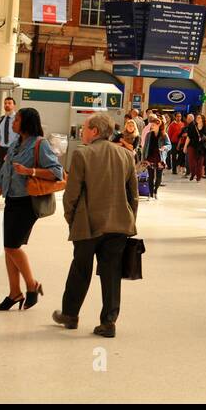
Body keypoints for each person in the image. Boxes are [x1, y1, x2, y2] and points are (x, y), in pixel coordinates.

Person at [54, 113, 138, 338]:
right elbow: (134, 195)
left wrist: (71, 218)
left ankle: (70, 315)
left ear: (95, 131)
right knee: (111, 273)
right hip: (119, 224)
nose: (82, 131)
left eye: (85, 128)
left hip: (88, 224)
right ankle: (108, 322)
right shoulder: (126, 155)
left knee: (81, 269)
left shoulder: (82, 154)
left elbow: (71, 194)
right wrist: (130, 219)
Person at [0, 107, 62, 312]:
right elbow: (3, 177)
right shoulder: (15, 144)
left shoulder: (40, 144)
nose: (13, 123)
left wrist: (30, 171)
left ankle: (32, 285)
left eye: (17, 120)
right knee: (8, 247)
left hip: (28, 202)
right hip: (12, 201)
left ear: (26, 123)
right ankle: (14, 293)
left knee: (12, 247)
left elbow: (56, 172)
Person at [141, 117, 170, 199]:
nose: (152, 126)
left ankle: (155, 191)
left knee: (159, 178)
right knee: (150, 177)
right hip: (150, 157)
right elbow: (145, 147)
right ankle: (150, 193)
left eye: (153, 125)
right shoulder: (148, 135)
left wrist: (165, 147)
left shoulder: (164, 135)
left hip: (160, 158)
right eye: (152, 124)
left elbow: (169, 145)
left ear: (158, 126)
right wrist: (143, 158)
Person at [183, 113, 204, 182]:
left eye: (199, 118)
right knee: (192, 161)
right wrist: (185, 147)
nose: (198, 119)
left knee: (200, 162)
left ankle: (198, 177)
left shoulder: (205, 127)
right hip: (192, 145)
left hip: (201, 147)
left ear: (202, 119)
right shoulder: (192, 126)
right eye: (197, 118)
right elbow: (188, 137)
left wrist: (205, 138)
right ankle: (193, 173)